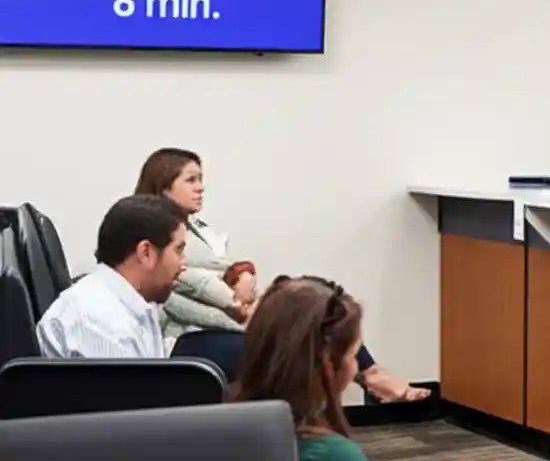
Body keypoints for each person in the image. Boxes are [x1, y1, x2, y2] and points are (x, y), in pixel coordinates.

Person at [136, 147, 428, 403]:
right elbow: (184, 299)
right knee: (294, 341)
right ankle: (360, 384)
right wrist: (249, 316)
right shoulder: (156, 237)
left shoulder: (199, 227)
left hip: (232, 319)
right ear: (164, 187)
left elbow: (229, 268)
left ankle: (371, 374)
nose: (201, 187)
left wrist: (244, 276)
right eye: (191, 180)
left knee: (318, 300)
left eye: (201, 179)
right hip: (188, 339)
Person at [231, 276, 368, 461]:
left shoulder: (218, 436)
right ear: (328, 363)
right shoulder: (335, 454)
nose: (355, 366)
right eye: (353, 355)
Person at [37, 195, 188, 359]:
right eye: (178, 250)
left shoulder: (130, 304)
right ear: (146, 253)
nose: (183, 264)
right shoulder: (100, 321)